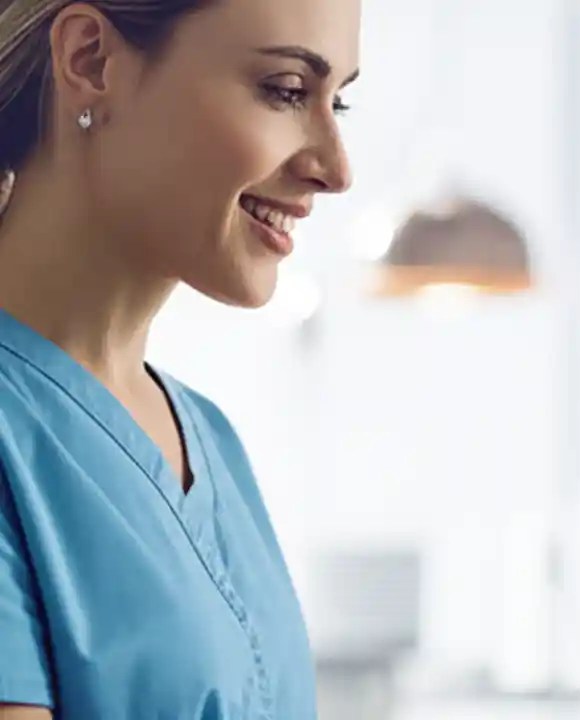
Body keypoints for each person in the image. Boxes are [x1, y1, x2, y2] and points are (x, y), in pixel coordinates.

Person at [0, 0, 359, 717]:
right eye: (287, 91)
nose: (335, 169)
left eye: (339, 102)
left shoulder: (209, 438)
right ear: (90, 60)